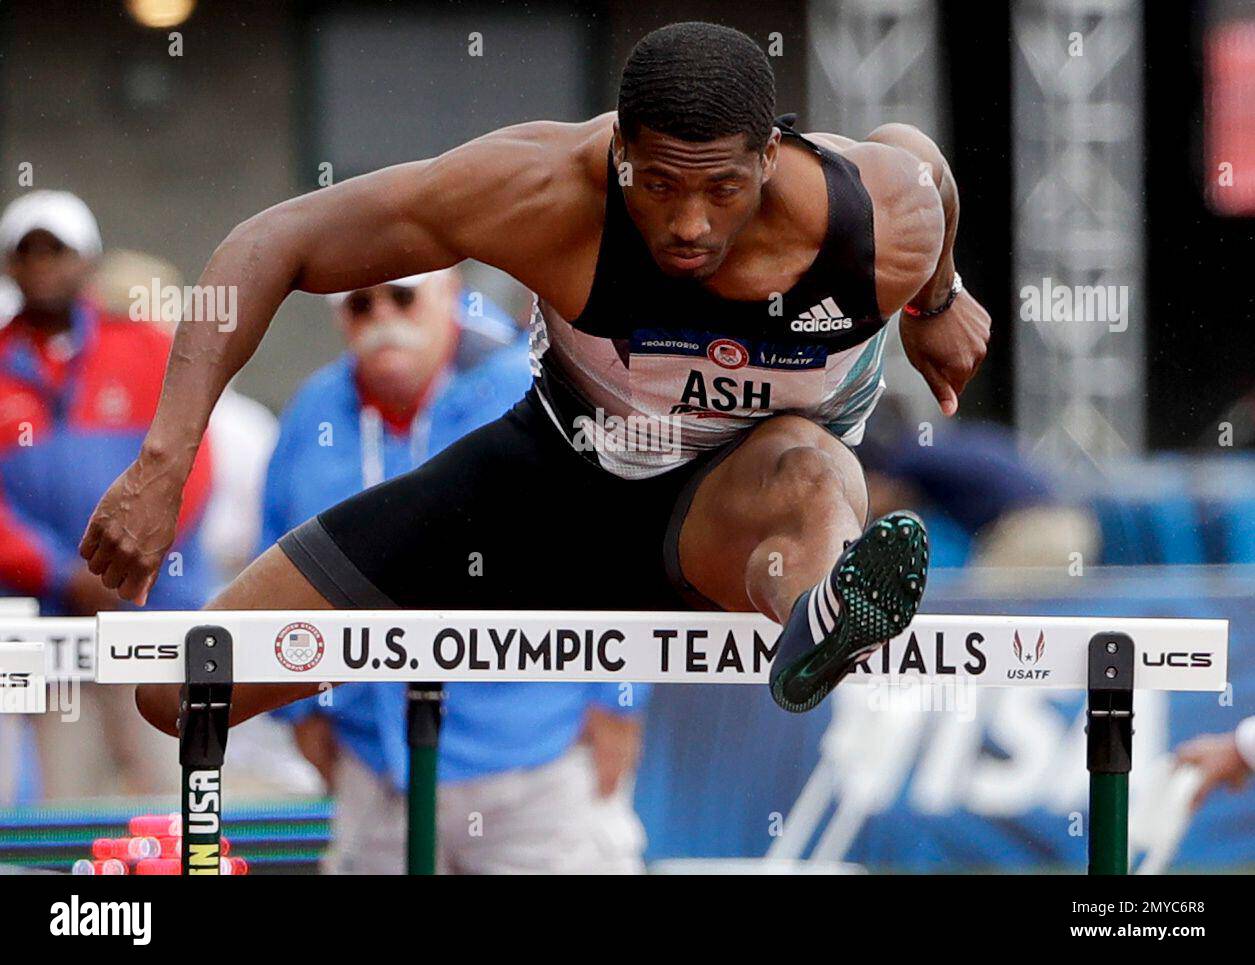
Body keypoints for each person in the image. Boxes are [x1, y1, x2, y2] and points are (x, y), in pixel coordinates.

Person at [81, 22, 991, 724]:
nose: (686, 225)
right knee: (178, 688)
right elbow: (271, 240)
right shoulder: (542, 193)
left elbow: (922, 166)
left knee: (807, 463)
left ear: (768, 158)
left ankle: (820, 615)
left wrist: (938, 300)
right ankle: (811, 604)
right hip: (545, 482)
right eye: (658, 184)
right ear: (617, 153)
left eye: (720, 188)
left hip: (732, 514)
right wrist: (163, 462)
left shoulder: (875, 222)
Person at [267, 271, 649, 872]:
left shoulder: (531, 387)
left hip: (529, 759)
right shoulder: (315, 408)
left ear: (448, 292)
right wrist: (299, 711)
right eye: (360, 304)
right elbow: (276, 554)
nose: (382, 317)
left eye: (403, 296)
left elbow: (617, 542)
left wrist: (621, 698)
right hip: (376, 766)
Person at [0, 189, 215, 796]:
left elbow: (192, 462)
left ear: (88, 261)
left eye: (58, 250)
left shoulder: (143, 347)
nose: (43, 264)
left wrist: (129, 557)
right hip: (43, 626)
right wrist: (60, 573)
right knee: (61, 809)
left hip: (153, 611)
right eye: (28, 252)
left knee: (173, 795)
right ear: (11, 267)